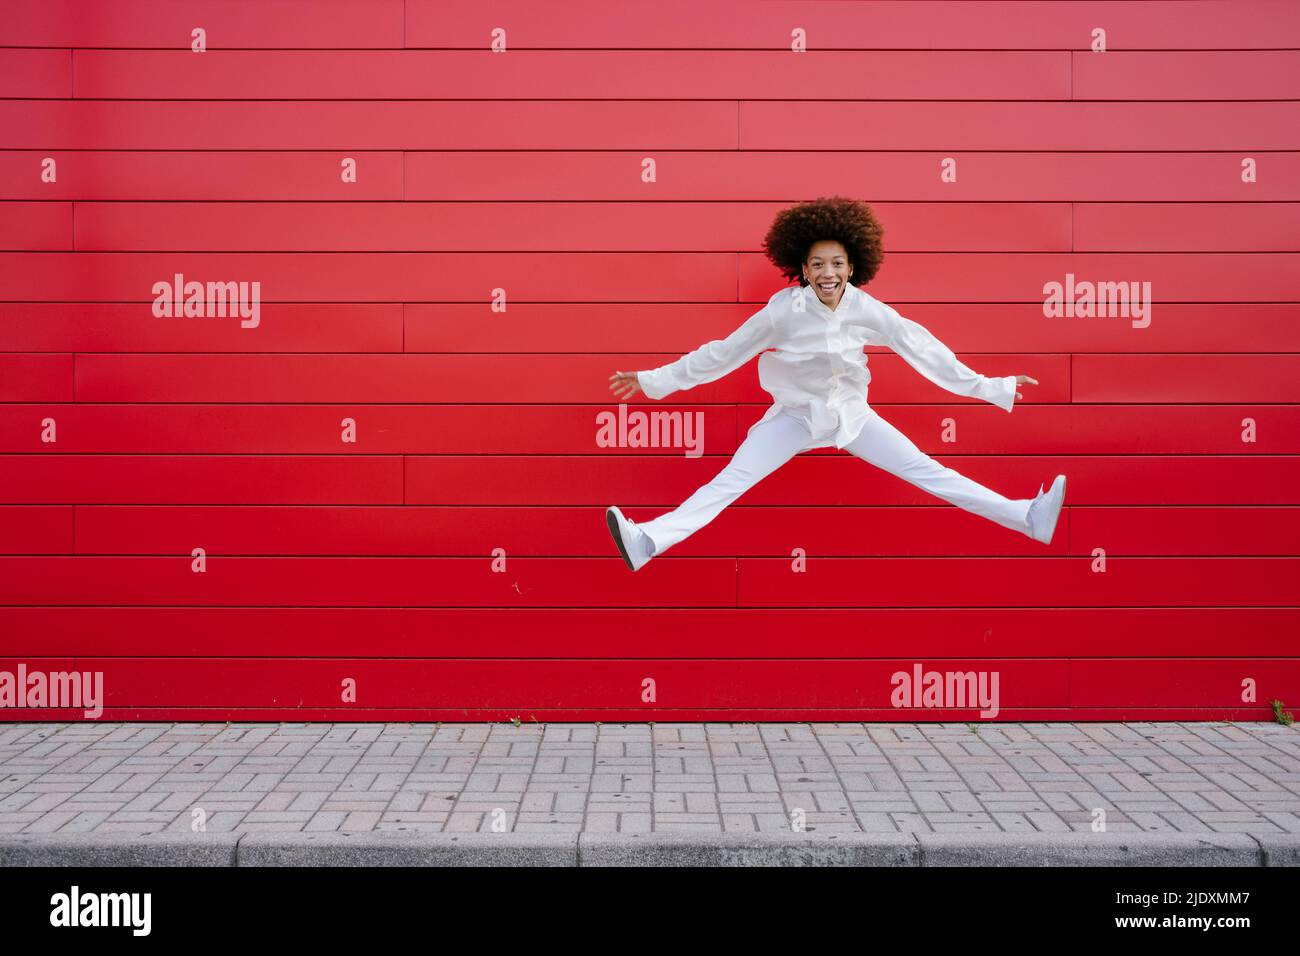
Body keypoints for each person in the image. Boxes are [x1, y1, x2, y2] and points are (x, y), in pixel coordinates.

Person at [605, 195, 1066, 572]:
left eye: (837, 264)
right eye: (817, 264)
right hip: (795, 419)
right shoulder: (783, 312)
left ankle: (1028, 518)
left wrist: (990, 386)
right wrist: (652, 381)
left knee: (930, 474)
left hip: (853, 419)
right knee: (730, 482)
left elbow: (922, 348)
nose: (827, 273)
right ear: (803, 270)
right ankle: (648, 541)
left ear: (851, 267)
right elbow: (723, 354)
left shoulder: (867, 309)